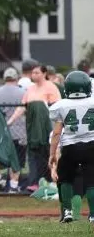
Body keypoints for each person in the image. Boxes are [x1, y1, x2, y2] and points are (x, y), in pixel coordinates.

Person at [49, 70, 94, 224]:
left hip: (70, 147)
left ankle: (67, 211)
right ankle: (93, 214)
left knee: (65, 179)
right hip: (91, 146)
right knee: (92, 181)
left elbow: (56, 133)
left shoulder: (60, 105)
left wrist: (52, 154)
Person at [8, 64, 61, 191]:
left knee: (48, 153)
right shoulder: (30, 89)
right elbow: (22, 107)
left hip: (47, 128)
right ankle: (34, 183)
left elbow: (58, 107)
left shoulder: (51, 87)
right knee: (33, 155)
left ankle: (51, 181)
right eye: (33, 73)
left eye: (37, 73)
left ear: (44, 73)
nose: (34, 75)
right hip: (32, 128)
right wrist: (10, 121)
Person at [0, 67, 26, 193]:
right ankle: (14, 186)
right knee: (17, 160)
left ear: (4, 78)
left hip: (0, 132)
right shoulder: (23, 92)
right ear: (16, 78)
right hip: (18, 132)